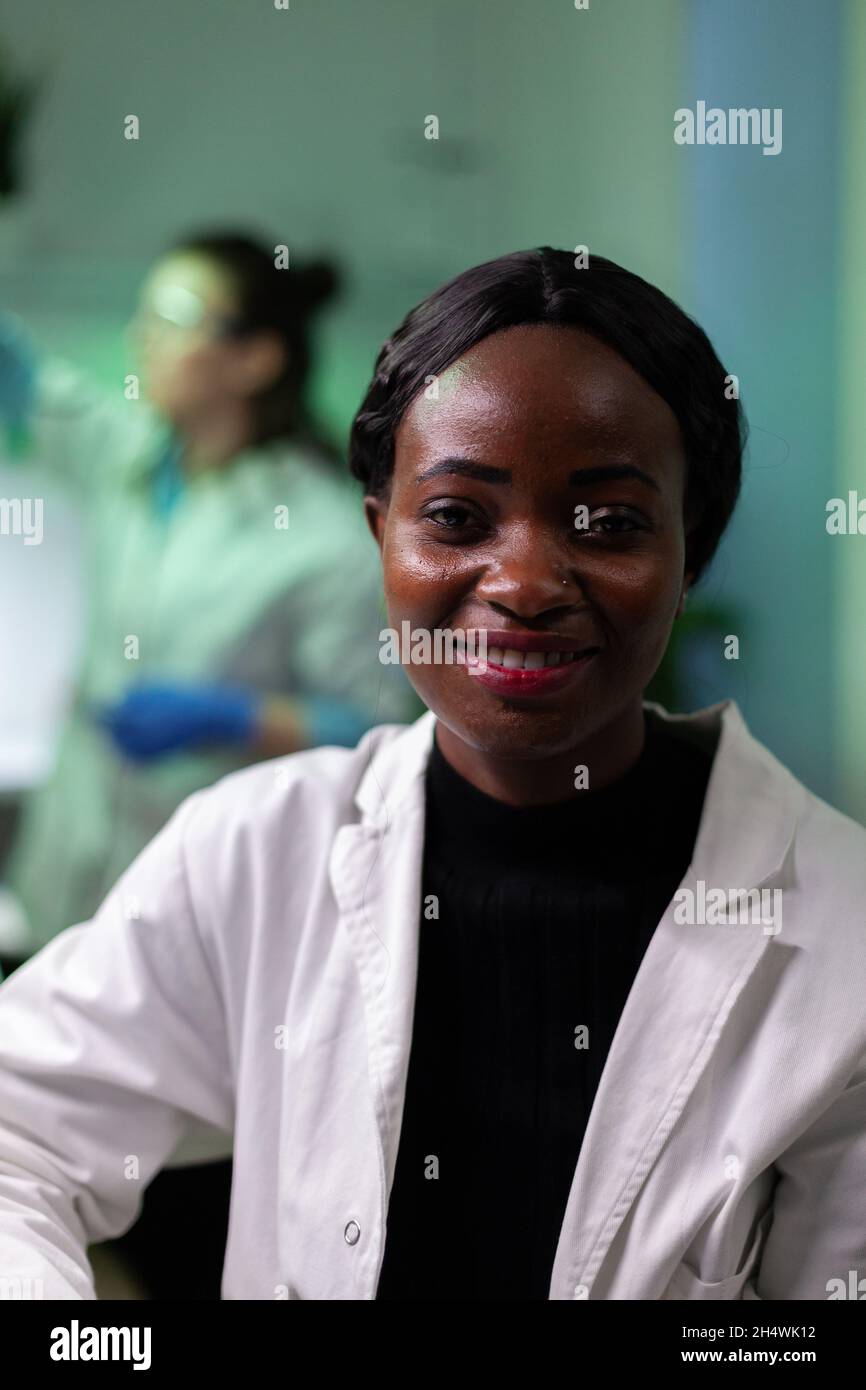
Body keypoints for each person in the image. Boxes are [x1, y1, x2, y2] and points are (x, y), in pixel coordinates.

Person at [0, 247, 863, 1300]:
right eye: (456, 516)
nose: (526, 583)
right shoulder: (255, 852)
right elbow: (17, 1132)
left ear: (690, 553)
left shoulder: (840, 931)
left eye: (609, 522)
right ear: (384, 537)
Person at [0, 230, 413, 958]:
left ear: (255, 358)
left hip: (210, 898)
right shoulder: (124, 457)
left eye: (173, 316)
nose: (141, 337)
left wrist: (234, 719)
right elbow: (23, 379)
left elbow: (378, 733)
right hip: (68, 870)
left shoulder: (322, 535)